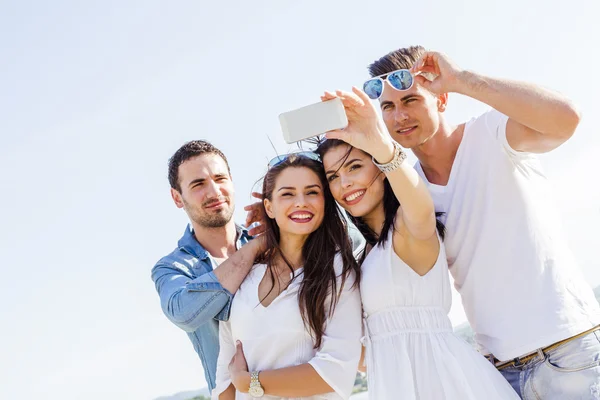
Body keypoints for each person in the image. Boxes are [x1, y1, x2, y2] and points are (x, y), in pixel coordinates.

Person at [365, 45, 600, 398]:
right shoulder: (409, 193)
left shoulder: (492, 135)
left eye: (411, 100)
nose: (400, 117)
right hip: (499, 374)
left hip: (569, 352)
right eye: (388, 107)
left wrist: (462, 80)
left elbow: (567, 117)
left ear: (441, 99)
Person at [316, 88, 519, 399]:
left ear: (382, 170)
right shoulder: (364, 258)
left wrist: (382, 147)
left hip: (450, 384)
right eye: (333, 176)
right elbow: (367, 351)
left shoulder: (408, 227)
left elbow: (419, 205)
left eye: (354, 167)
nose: (345, 184)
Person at [212, 153, 362, 399]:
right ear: (268, 207)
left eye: (312, 192)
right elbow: (225, 373)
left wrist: (250, 382)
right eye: (288, 194)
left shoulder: (338, 271)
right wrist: (237, 384)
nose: (301, 202)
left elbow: (335, 371)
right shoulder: (246, 275)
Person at [151, 140, 265, 392]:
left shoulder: (270, 236)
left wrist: (286, 219)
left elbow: (346, 243)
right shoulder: (173, 268)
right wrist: (255, 249)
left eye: (220, 178)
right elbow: (184, 313)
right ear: (177, 198)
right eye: (198, 184)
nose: (214, 192)